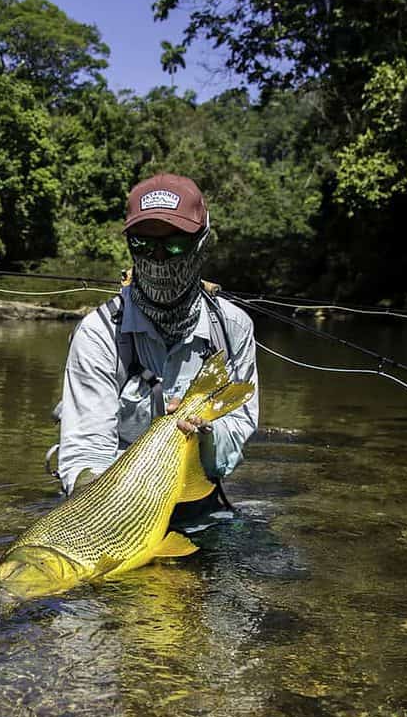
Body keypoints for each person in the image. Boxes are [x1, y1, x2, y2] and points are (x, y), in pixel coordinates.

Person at [56, 173, 259, 530]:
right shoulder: (98, 333)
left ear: (202, 242)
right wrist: (93, 512)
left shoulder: (233, 328)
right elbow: (86, 452)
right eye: (144, 245)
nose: (160, 257)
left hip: (199, 501)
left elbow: (238, 430)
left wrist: (206, 437)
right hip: (111, 507)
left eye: (177, 244)